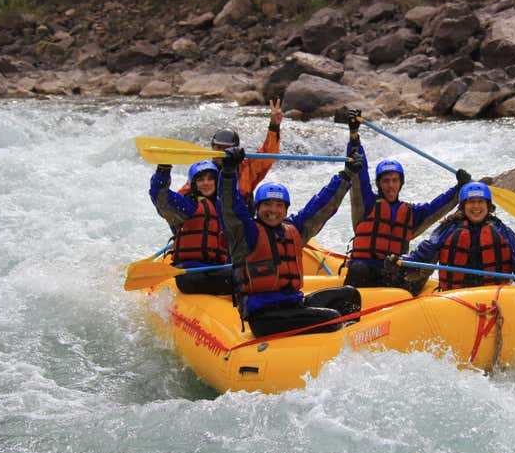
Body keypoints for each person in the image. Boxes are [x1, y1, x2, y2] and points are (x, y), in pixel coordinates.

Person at [219, 145, 364, 337]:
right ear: (257, 208)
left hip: (293, 305)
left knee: (349, 295)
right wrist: (228, 173)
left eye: (279, 205)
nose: (273, 210)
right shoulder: (246, 233)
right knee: (331, 317)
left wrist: (346, 176)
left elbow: (321, 206)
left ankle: (350, 346)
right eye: (267, 204)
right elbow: (230, 207)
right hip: (265, 317)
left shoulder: (294, 229)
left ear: (286, 210)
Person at [342, 109, 472, 288]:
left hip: (392, 272)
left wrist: (459, 187)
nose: (390, 185)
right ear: (379, 184)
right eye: (386, 181)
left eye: (395, 180)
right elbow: (359, 172)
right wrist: (354, 137)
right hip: (365, 269)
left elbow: (436, 207)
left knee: (421, 258)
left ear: (401, 183)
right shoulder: (367, 203)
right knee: (358, 268)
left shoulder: (411, 213)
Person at [388, 181, 515, 295]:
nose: (476, 207)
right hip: (456, 297)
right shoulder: (449, 228)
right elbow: (425, 252)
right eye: (471, 202)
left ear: (488, 206)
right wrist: (402, 261)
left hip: (494, 297)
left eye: (480, 202)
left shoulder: (501, 230)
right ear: (463, 206)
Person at [149, 159, 233, 295]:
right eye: (201, 180)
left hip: (218, 269)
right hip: (191, 274)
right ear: (194, 184)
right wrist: (163, 169)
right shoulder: (187, 206)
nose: (206, 183)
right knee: (238, 278)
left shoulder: (224, 207)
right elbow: (160, 196)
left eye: (210, 179)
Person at [178, 99, 284, 205]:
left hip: (239, 219)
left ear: (235, 149)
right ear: (212, 148)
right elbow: (179, 200)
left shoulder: (247, 169)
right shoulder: (202, 171)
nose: (222, 152)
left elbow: (268, 154)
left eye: (227, 148)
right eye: (218, 147)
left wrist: (274, 127)